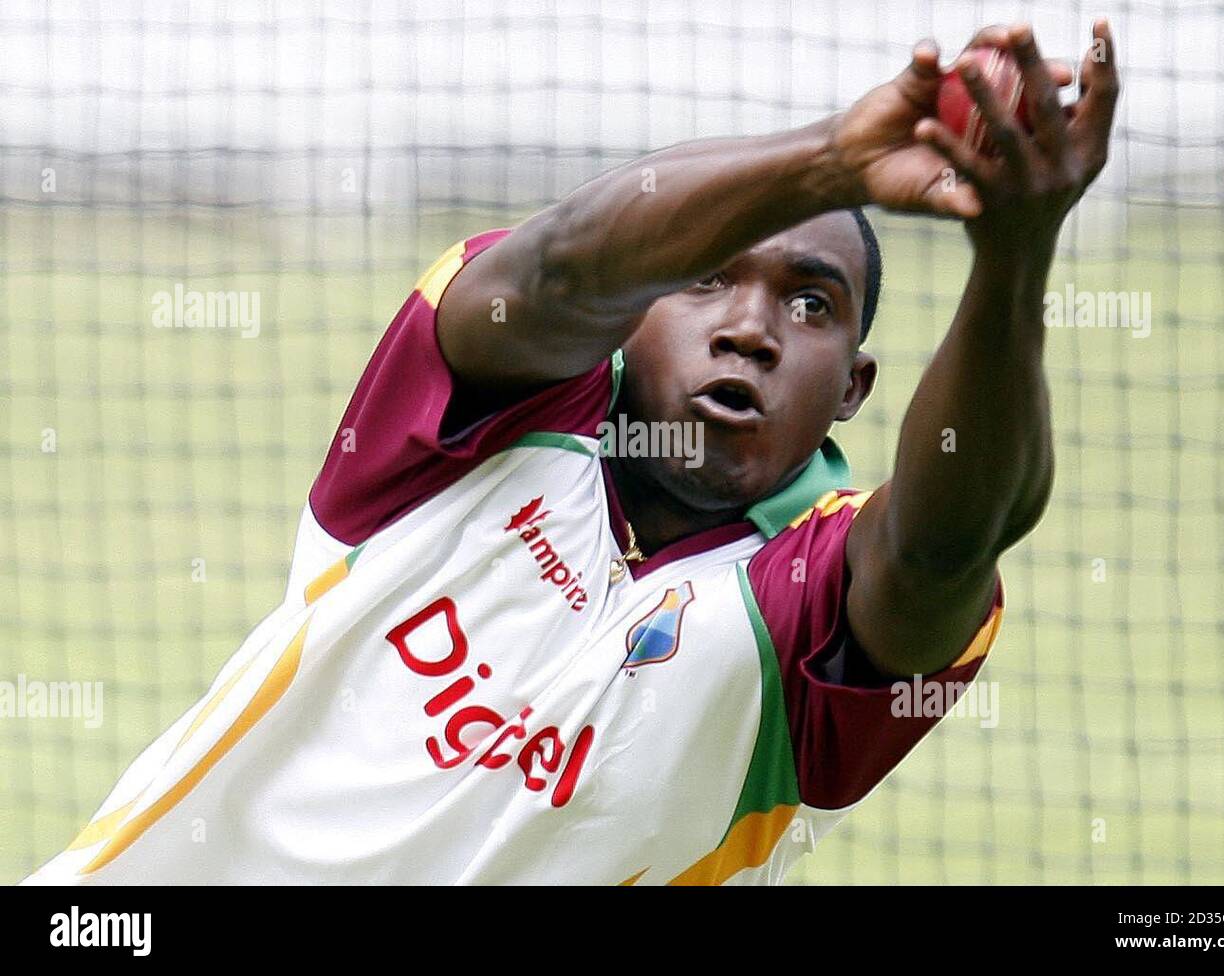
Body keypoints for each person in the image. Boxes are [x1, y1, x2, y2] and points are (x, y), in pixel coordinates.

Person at [26, 21, 1119, 885]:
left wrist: (1014, 256)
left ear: (853, 389)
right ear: (631, 311)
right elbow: (553, 274)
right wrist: (835, 158)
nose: (749, 326)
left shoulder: (803, 612)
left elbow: (945, 543)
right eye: (702, 281)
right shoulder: (463, 427)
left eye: (809, 301)